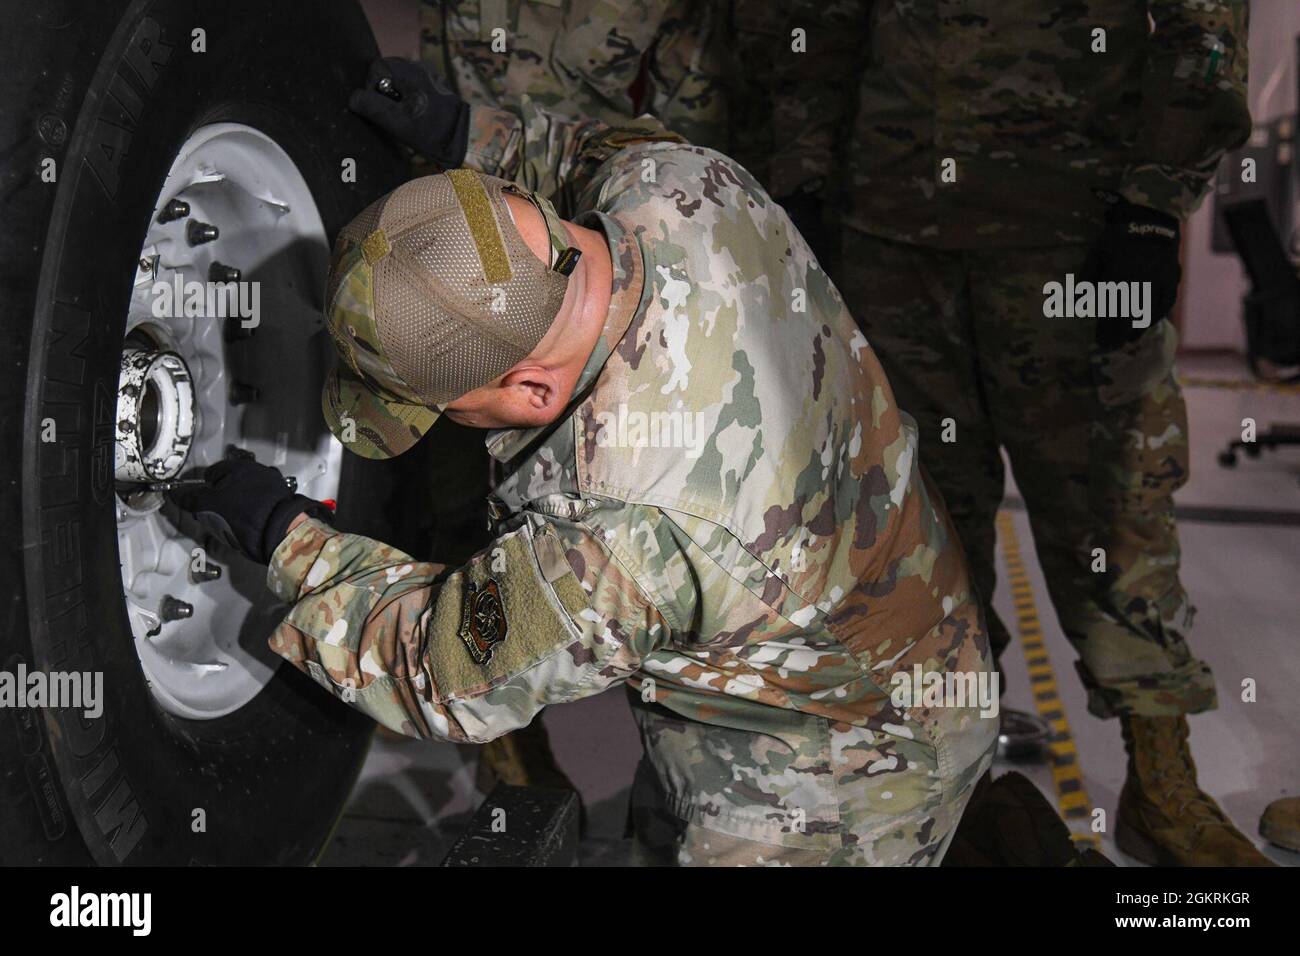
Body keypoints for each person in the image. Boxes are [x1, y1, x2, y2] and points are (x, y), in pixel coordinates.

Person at [174, 62, 999, 866]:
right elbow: (581, 155)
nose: (450, 427)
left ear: (532, 388)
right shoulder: (678, 185)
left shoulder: (620, 524)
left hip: (832, 785)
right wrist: (465, 133)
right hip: (897, 607)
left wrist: (287, 539)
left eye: (446, 409)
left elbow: (440, 671)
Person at [834, 0, 1271, 864]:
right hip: (891, 227)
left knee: (1113, 512)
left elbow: (1203, 27)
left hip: (1072, 227)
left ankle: (1162, 787)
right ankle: (955, 791)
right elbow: (816, 27)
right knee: (918, 529)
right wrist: (805, 173)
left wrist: (1153, 202)